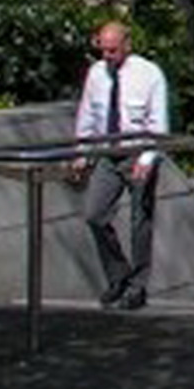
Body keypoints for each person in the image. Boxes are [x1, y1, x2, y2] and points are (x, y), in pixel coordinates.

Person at [69, 18, 168, 309]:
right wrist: (82, 152)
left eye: (113, 50)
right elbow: (88, 115)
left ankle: (138, 286)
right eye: (104, 50)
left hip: (138, 152)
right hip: (108, 153)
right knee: (94, 214)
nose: (108, 56)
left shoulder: (149, 74)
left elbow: (158, 123)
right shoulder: (97, 74)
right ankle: (118, 275)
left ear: (127, 45)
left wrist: (148, 158)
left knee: (141, 222)